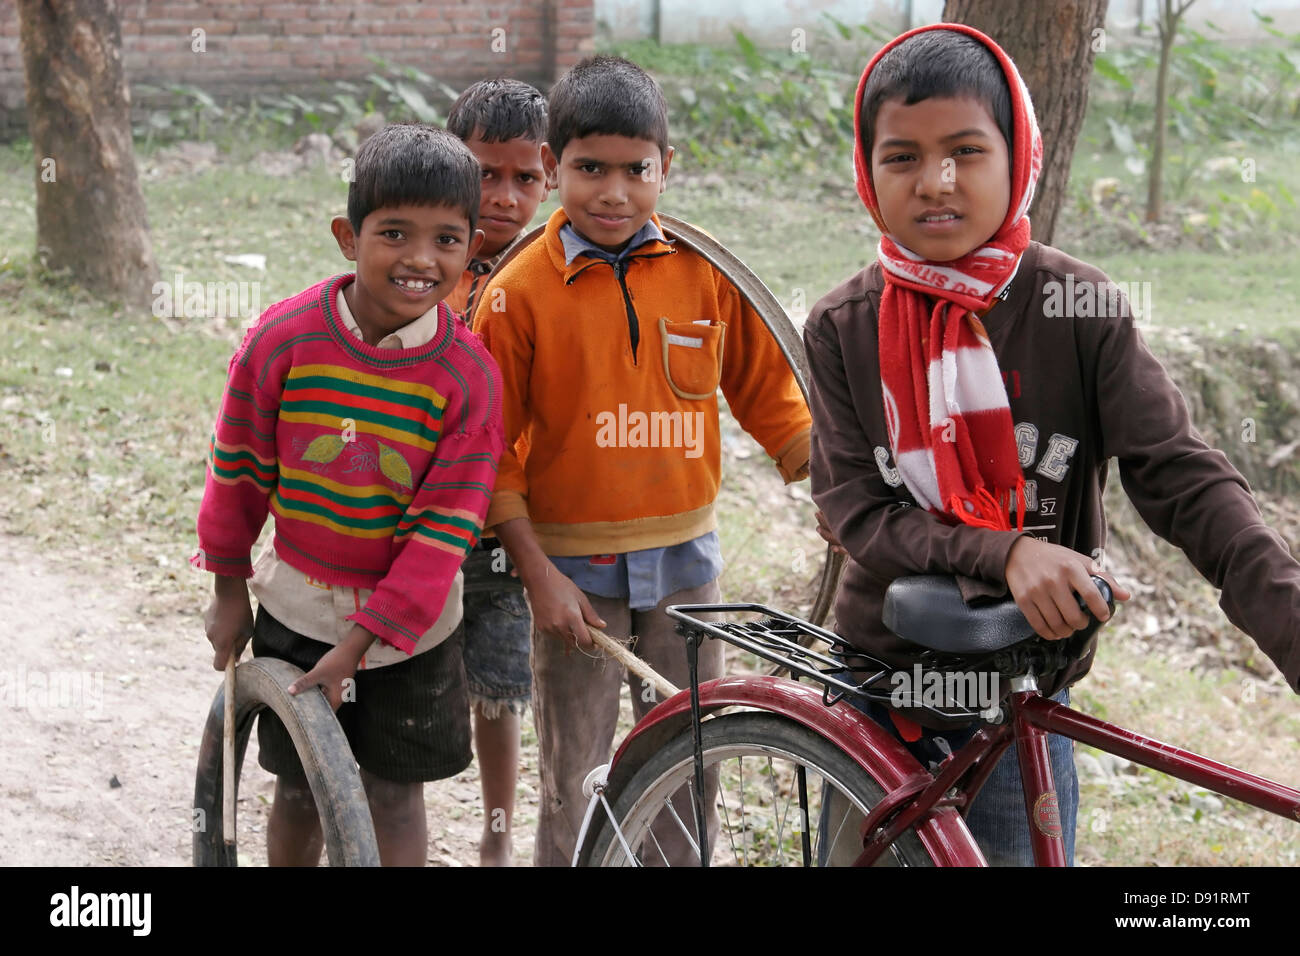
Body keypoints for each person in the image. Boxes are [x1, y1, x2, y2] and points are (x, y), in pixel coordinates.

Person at [805, 23, 1300, 866]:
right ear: (866, 169)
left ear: (1017, 152)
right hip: (884, 681)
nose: (936, 182)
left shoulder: (1079, 309)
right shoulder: (844, 326)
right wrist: (1005, 555)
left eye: (965, 150)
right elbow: (856, 509)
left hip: (1021, 685)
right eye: (902, 157)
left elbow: (1182, 478)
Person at [471, 55, 813, 866]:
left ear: (669, 168)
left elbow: (770, 393)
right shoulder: (518, 293)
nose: (614, 192)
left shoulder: (706, 273)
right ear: (554, 167)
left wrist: (826, 485)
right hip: (571, 576)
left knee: (691, 761)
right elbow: (487, 453)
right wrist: (537, 574)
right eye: (589, 168)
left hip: (688, 562)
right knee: (578, 774)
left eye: (636, 169)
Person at [194, 123, 504, 867]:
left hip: (412, 636)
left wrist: (360, 647)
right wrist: (229, 589)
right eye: (394, 233)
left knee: (395, 795)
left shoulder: (467, 377)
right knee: (299, 789)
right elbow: (237, 467)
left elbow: (444, 531)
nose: (420, 260)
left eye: (447, 240)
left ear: (472, 249)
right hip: (296, 607)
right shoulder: (285, 340)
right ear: (347, 235)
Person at [445, 77, 549, 866]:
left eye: (525, 178)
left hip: (509, 526)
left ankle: (496, 835)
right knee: (402, 680)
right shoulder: (426, 261)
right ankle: (385, 817)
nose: (504, 197)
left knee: (500, 687)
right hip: (421, 521)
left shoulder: (554, 274)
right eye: (486, 173)